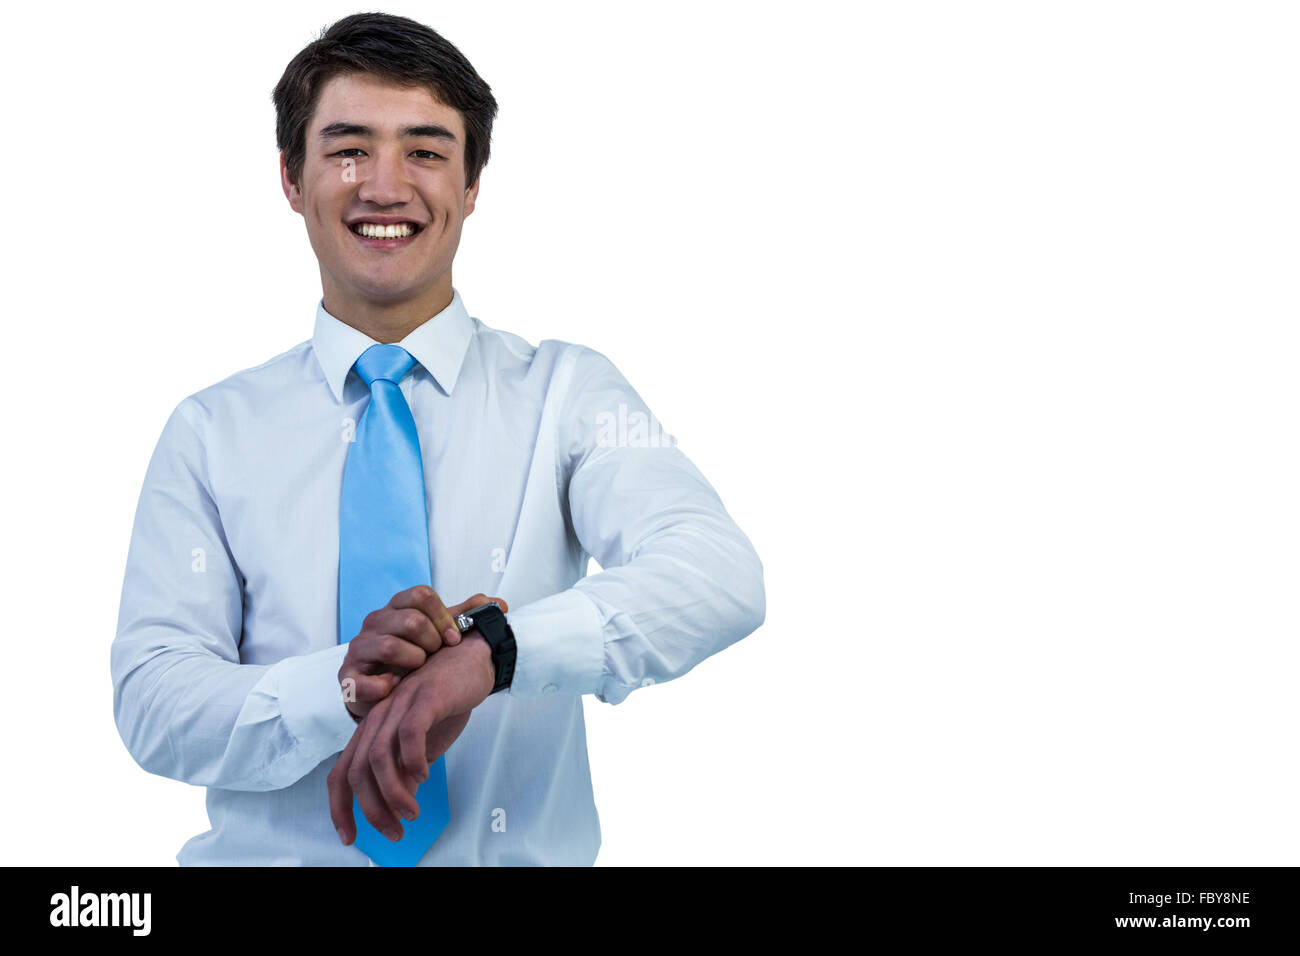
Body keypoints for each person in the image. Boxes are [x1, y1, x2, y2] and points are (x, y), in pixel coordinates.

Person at [111, 11, 765, 866]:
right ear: (291, 178)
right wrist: (339, 685)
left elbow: (717, 573)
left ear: (472, 184)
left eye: (425, 150)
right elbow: (154, 700)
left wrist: (495, 656)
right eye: (349, 148)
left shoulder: (568, 394)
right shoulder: (208, 431)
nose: (385, 186)